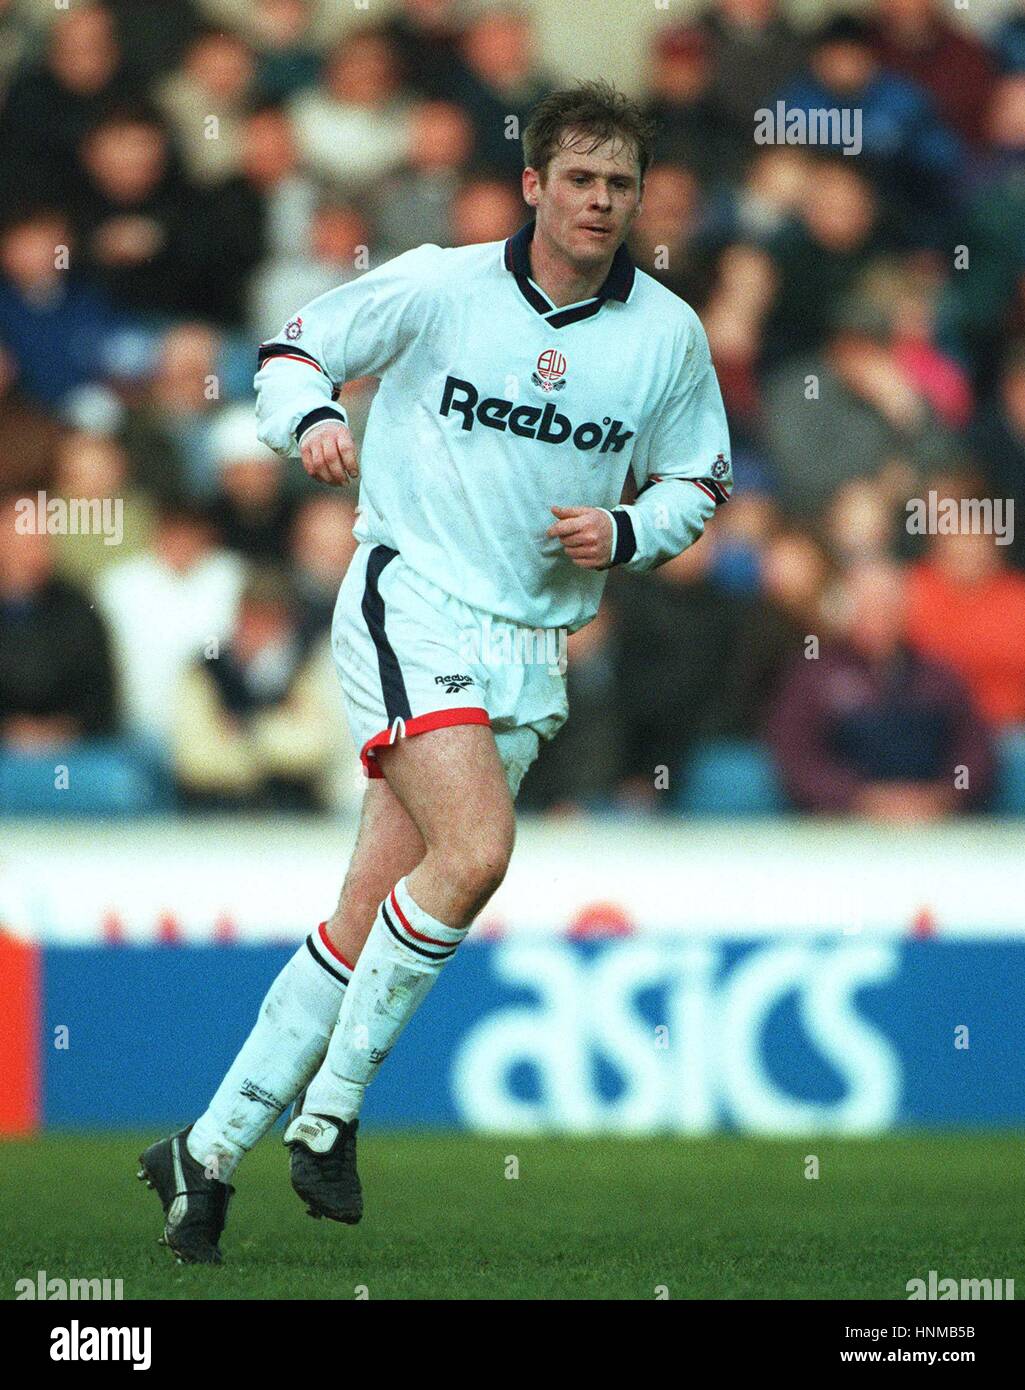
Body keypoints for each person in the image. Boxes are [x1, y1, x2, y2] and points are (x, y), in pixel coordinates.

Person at [137, 80, 732, 1263]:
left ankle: (203, 1153)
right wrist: (303, 417)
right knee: (477, 853)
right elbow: (295, 344)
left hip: (529, 642)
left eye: (619, 183)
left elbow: (699, 479)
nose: (600, 200)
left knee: (365, 916)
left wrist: (624, 534)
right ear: (532, 183)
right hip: (410, 598)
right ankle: (330, 1114)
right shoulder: (440, 281)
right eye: (578, 178)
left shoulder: (666, 332)